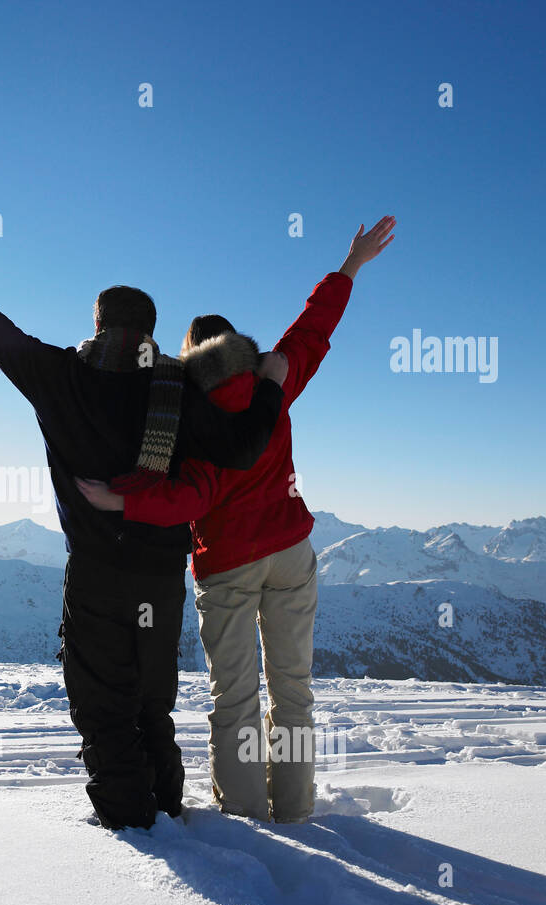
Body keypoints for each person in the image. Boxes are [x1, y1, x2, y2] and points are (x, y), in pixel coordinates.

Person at [0, 212, 286, 830]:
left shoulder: (62, 377)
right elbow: (243, 449)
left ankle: (132, 822)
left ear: (99, 325)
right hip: (161, 575)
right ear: (152, 333)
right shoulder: (179, 389)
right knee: (152, 704)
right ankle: (165, 809)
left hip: (98, 575)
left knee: (104, 706)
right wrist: (268, 386)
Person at [77, 216, 396, 823]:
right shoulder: (273, 380)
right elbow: (313, 330)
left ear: (191, 355)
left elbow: (192, 496)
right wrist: (350, 265)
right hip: (291, 552)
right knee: (294, 692)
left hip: (227, 563)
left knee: (236, 697)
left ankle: (248, 818)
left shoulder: (189, 414)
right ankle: (296, 809)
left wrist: (122, 501)